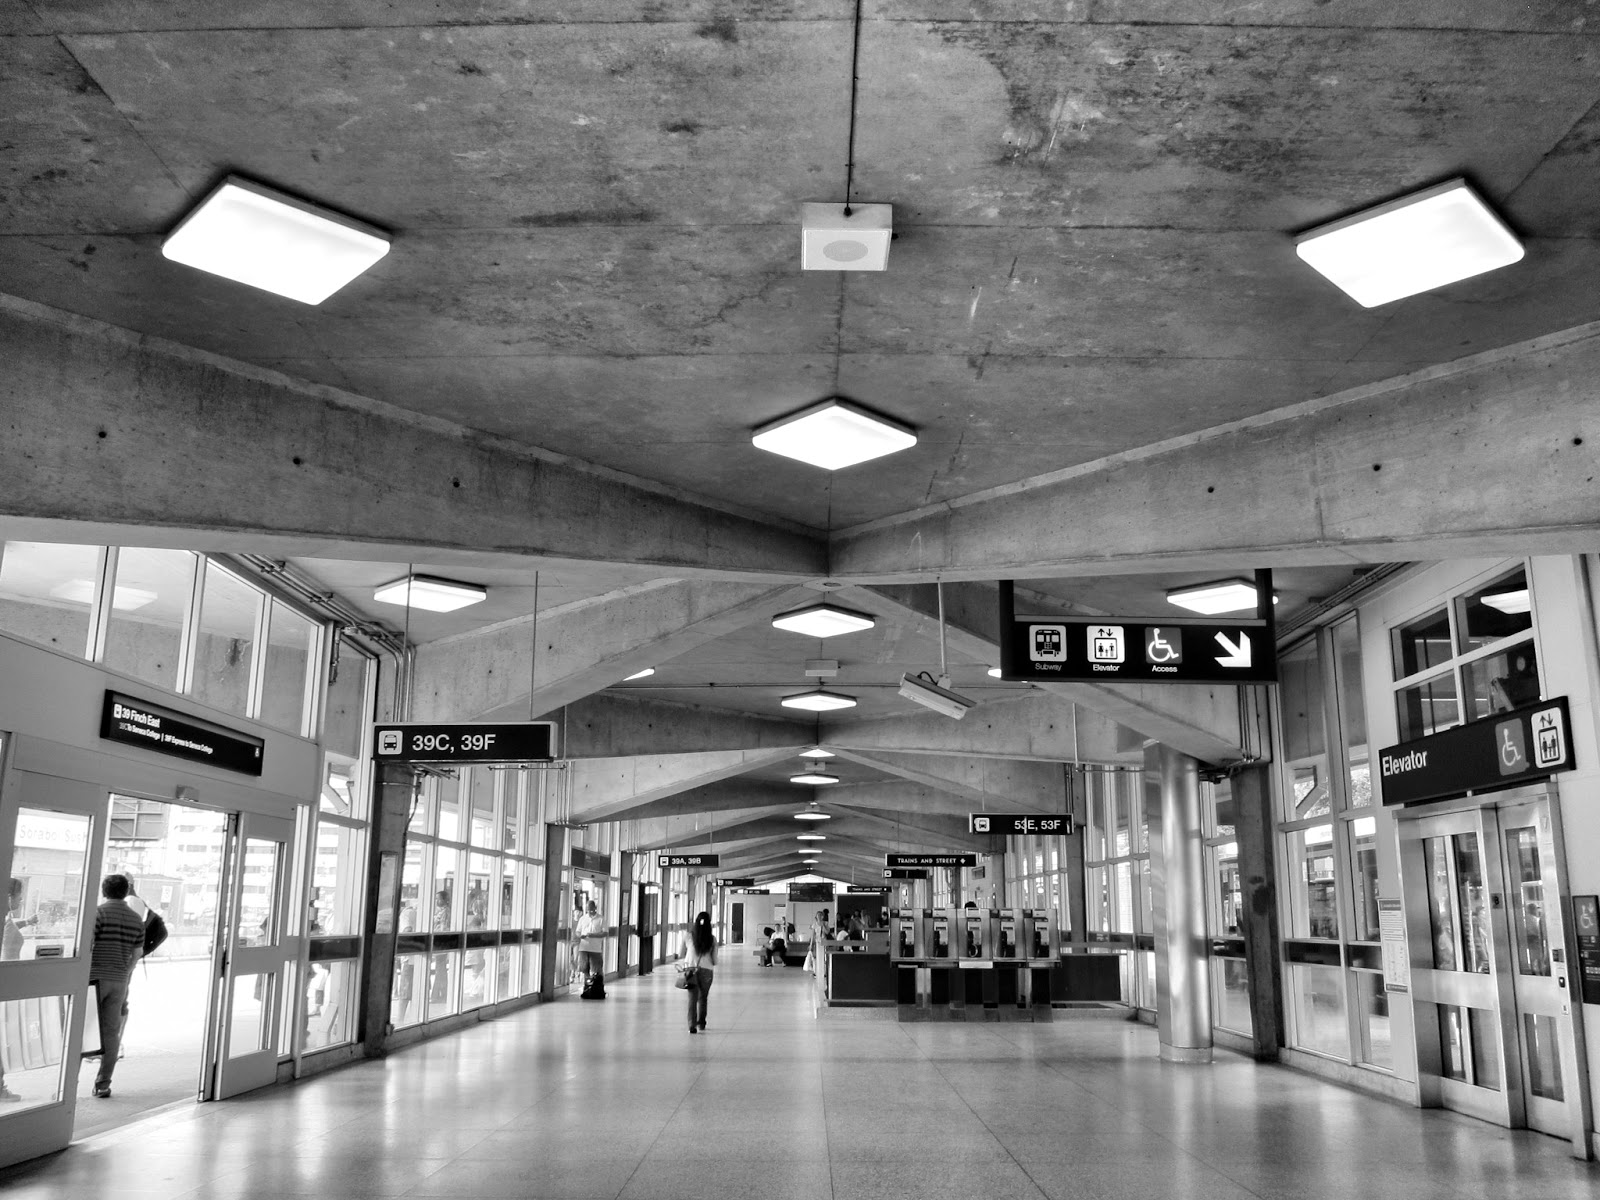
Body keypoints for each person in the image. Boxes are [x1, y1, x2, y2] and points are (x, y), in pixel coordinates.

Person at [87, 874, 145, 1099]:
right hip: (119, 981)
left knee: (85, 1031)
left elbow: (88, 945)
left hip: (95, 980)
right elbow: (137, 953)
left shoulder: (99, 913)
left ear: (104, 890)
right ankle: (103, 1084)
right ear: (126, 891)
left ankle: (69, 1083)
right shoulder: (135, 919)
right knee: (112, 1033)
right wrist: (125, 972)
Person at [2, 878, 37, 1102]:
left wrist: (28, 921)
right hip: (6, 984)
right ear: (8, 897)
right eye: (18, 895)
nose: (21, 899)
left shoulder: (7, 918)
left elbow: (10, 929)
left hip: (9, 984)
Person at [678, 911, 717, 1034]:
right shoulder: (712, 939)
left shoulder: (688, 936)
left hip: (691, 971)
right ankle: (701, 1023)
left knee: (692, 998)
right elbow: (715, 960)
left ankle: (691, 1025)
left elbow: (681, 954)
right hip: (707, 971)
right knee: (703, 998)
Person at [575, 900, 605, 987]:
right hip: (584, 948)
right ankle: (587, 986)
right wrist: (580, 936)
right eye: (588, 909)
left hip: (595, 949)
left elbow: (605, 933)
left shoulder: (601, 919)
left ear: (595, 908)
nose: (590, 911)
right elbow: (577, 931)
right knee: (584, 969)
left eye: (592, 909)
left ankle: (598, 986)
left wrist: (593, 935)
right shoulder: (582, 919)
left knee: (597, 969)